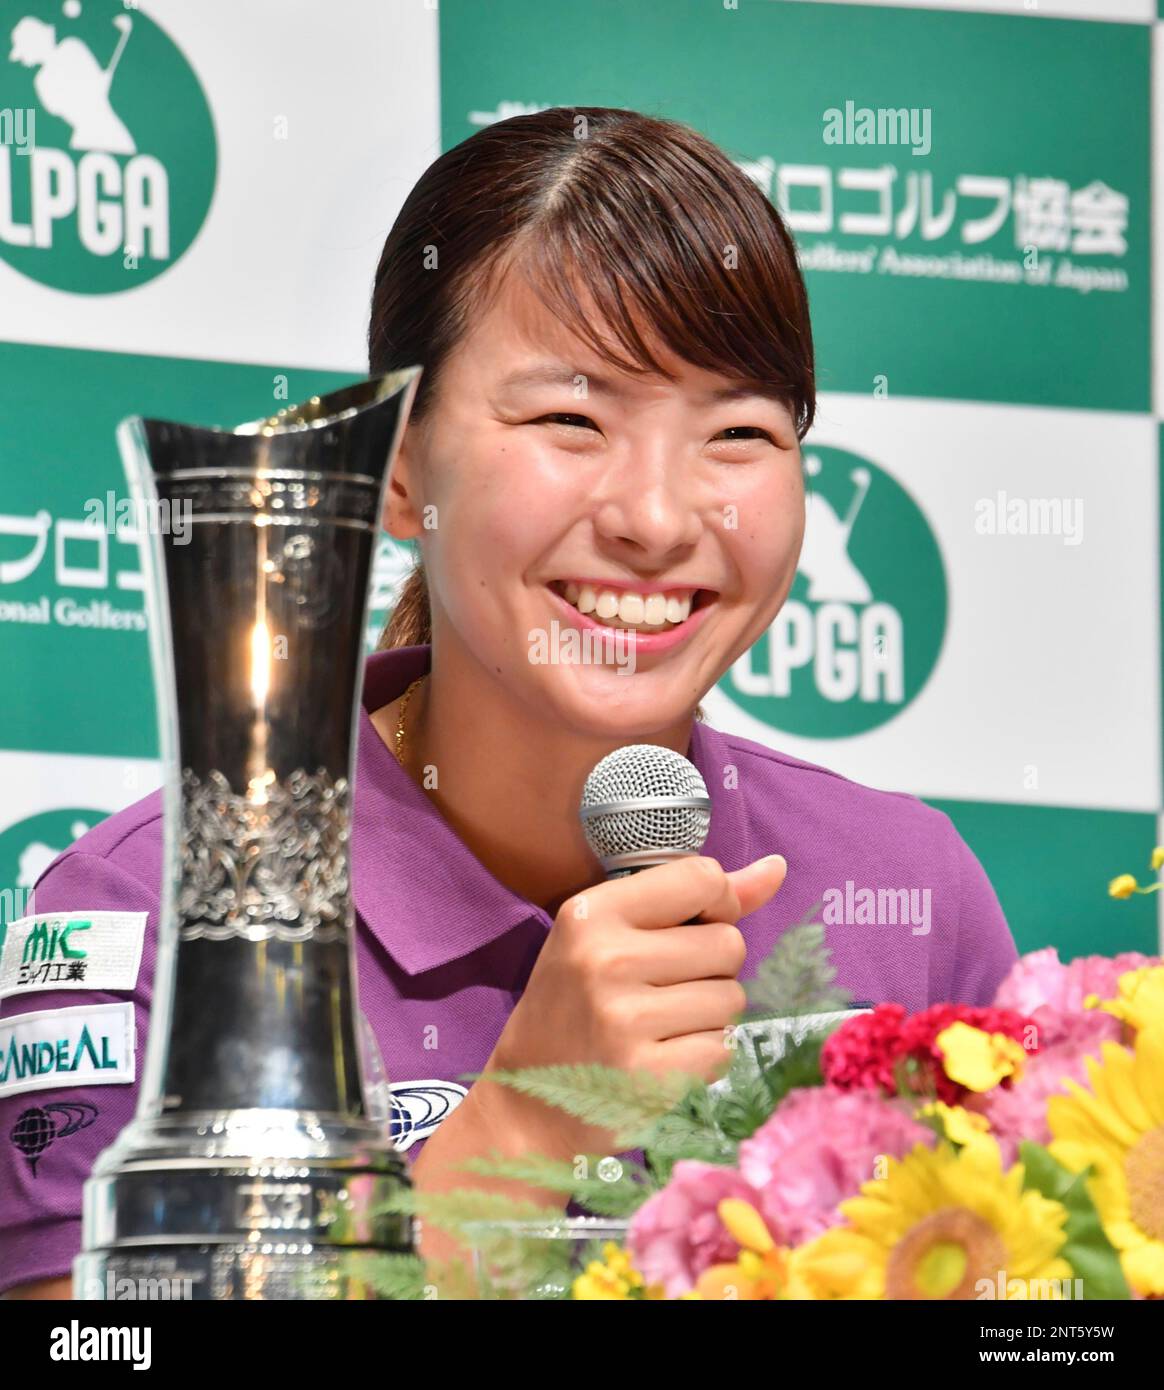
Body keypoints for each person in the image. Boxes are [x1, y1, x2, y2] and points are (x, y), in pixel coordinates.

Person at [0, 106, 1016, 1298]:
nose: (656, 517)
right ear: (396, 472)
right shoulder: (156, 918)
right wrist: (524, 1135)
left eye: (737, 431)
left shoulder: (907, 886)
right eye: (570, 421)